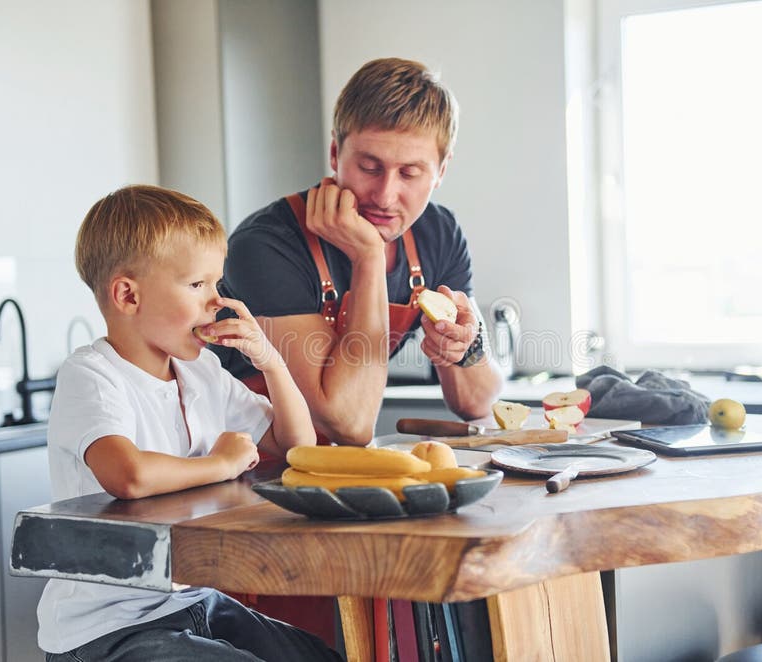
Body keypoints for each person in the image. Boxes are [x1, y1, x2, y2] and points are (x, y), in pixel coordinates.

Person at [38, 185, 342, 662]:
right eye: (198, 285)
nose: (216, 302)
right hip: (108, 630)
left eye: (216, 285)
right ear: (128, 295)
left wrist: (271, 363)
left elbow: (297, 446)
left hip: (191, 600)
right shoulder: (92, 375)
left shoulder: (201, 371)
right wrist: (222, 464)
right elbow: (129, 475)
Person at [217, 57, 503, 445]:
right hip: (242, 467)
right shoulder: (267, 243)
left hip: (335, 472)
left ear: (441, 171)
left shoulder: (438, 234)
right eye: (370, 167)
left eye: (409, 173)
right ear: (335, 154)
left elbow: (475, 401)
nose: (385, 196)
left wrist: (465, 348)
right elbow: (347, 423)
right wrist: (368, 256)